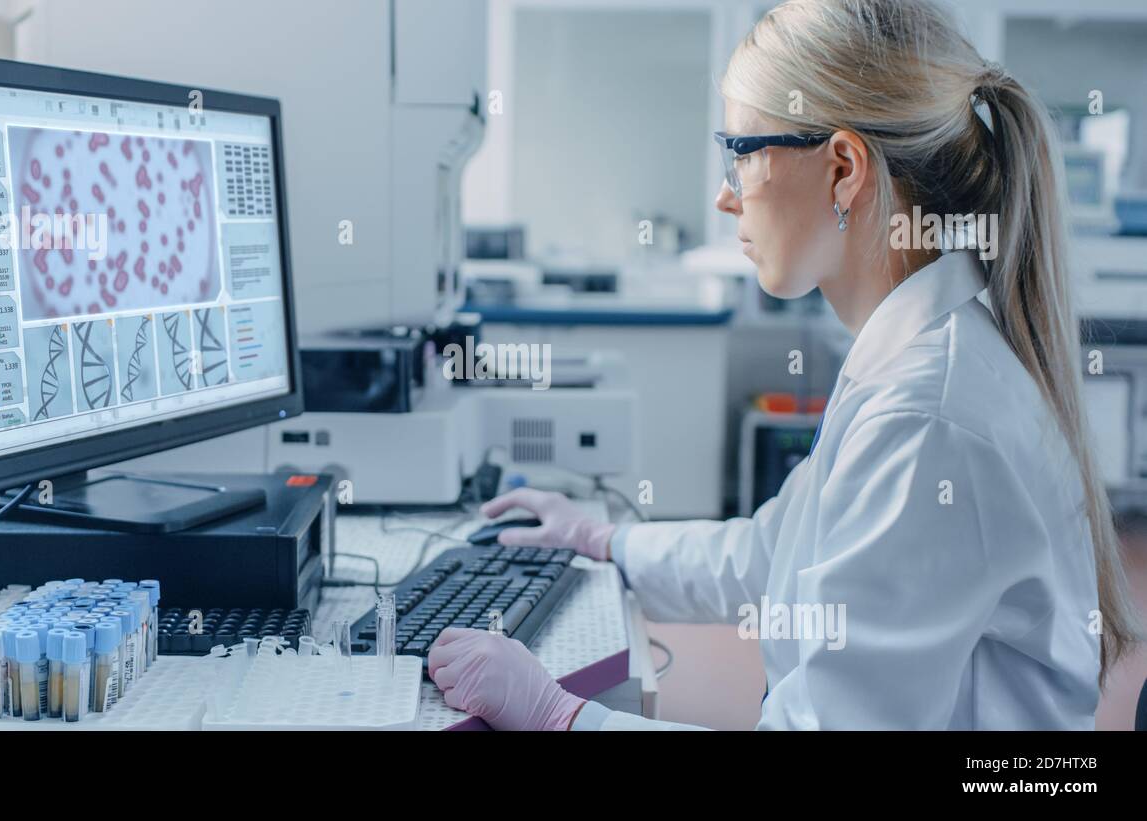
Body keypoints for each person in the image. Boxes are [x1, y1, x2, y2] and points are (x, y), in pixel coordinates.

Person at [426, 0, 1138, 730]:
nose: (724, 194)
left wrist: (557, 714)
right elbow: (776, 554)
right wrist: (603, 540)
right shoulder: (913, 356)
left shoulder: (930, 419)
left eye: (741, 151)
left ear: (842, 170)